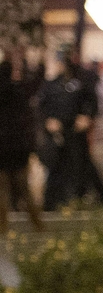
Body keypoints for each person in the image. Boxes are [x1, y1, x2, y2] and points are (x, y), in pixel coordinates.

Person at [39, 50, 103, 210]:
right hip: (58, 134)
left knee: (82, 164)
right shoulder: (51, 84)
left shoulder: (81, 82)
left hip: (76, 132)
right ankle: (52, 202)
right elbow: (42, 107)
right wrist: (48, 121)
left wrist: (86, 117)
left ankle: (88, 197)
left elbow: (92, 103)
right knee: (56, 167)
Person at [0, 56, 44, 233]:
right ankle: (37, 224)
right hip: (19, 148)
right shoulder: (20, 92)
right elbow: (35, 83)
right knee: (24, 188)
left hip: (2, 147)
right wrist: (39, 62)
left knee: (2, 189)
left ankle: (2, 227)